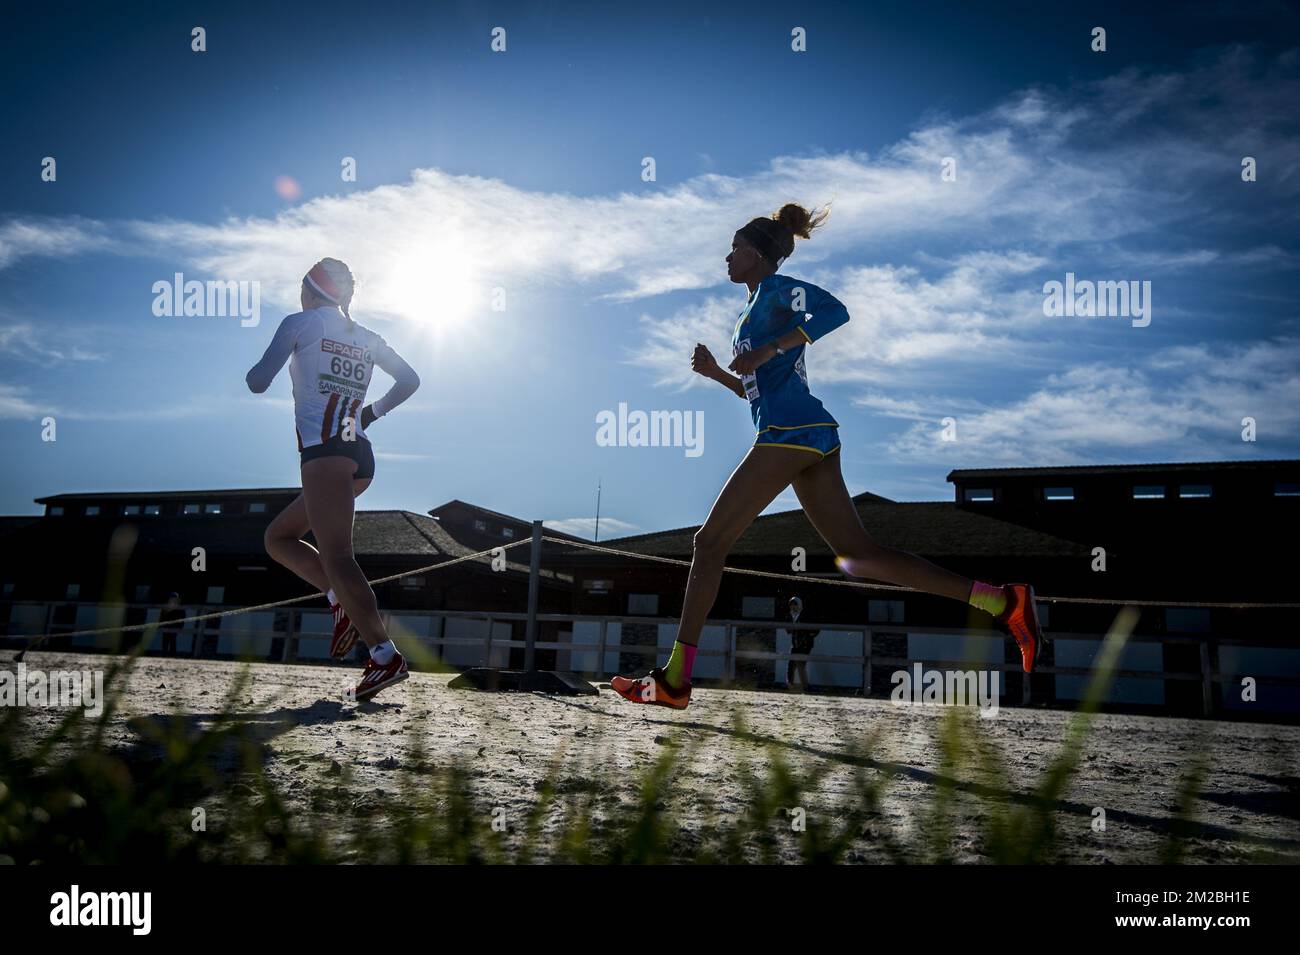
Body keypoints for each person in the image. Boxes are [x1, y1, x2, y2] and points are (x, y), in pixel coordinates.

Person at [612, 204, 1043, 710]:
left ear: (756, 254)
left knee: (709, 543)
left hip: (792, 434)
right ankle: (1000, 600)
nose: (726, 257)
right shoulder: (750, 312)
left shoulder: (778, 291)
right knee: (861, 555)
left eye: (734, 248)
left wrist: (768, 351)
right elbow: (760, 395)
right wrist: (719, 375)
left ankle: (675, 680)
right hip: (803, 434)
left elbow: (836, 312)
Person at [246, 258, 420, 702]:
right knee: (279, 537)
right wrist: (370, 414)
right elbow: (410, 379)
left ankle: (384, 655)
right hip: (356, 452)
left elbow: (258, 381)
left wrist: (266, 364)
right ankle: (336, 596)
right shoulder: (365, 336)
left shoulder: (299, 323)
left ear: (310, 291)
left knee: (338, 555)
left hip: (325, 452)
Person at [785, 596, 819, 689]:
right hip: (795, 643)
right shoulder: (790, 615)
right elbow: (788, 630)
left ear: (799, 605)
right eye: (791, 605)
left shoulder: (806, 615)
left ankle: (805, 686)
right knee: (791, 664)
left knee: (800, 665)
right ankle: (791, 684)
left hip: (805, 644)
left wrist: (808, 635)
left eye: (795, 605)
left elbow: (816, 628)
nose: (793, 607)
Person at [159, 592, 185, 657]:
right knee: (165, 640)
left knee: (172, 640)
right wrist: (160, 625)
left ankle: (172, 654)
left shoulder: (179, 607)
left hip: (174, 626)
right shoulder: (166, 606)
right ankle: (164, 654)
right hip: (167, 626)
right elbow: (162, 616)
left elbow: (182, 617)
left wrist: (180, 626)